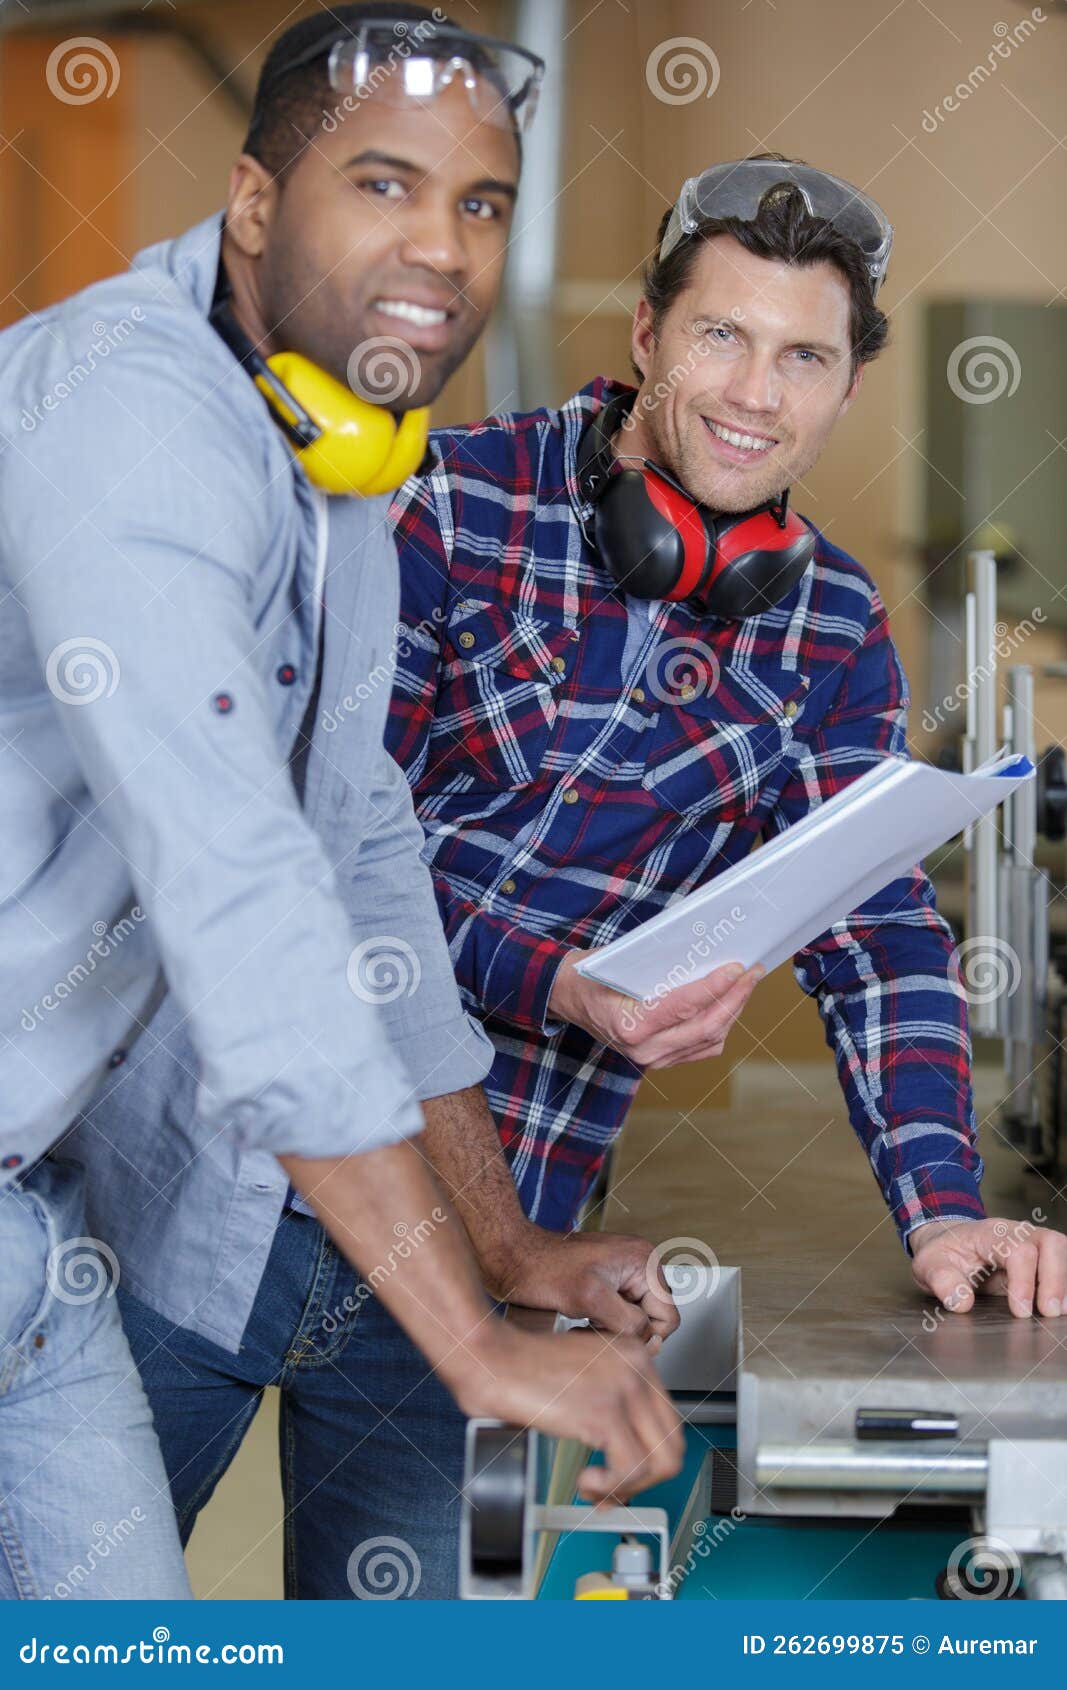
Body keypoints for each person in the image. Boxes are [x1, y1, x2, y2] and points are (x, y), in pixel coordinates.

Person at [0, 4, 682, 1603]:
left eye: (480, 201)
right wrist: (473, 1347)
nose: (437, 245)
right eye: (380, 183)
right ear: (253, 203)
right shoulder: (131, 416)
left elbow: (361, 851)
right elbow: (239, 885)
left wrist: (500, 1245)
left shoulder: (334, 467)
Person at [384, 154, 1067, 1314]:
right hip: (252, 1175)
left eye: (804, 356)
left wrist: (943, 1207)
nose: (756, 393)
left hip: (511, 1219)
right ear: (646, 332)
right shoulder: (445, 504)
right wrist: (554, 981)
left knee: (417, 1510)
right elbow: (316, 853)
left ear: (847, 387)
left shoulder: (833, 626)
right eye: (720, 337)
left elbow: (876, 932)